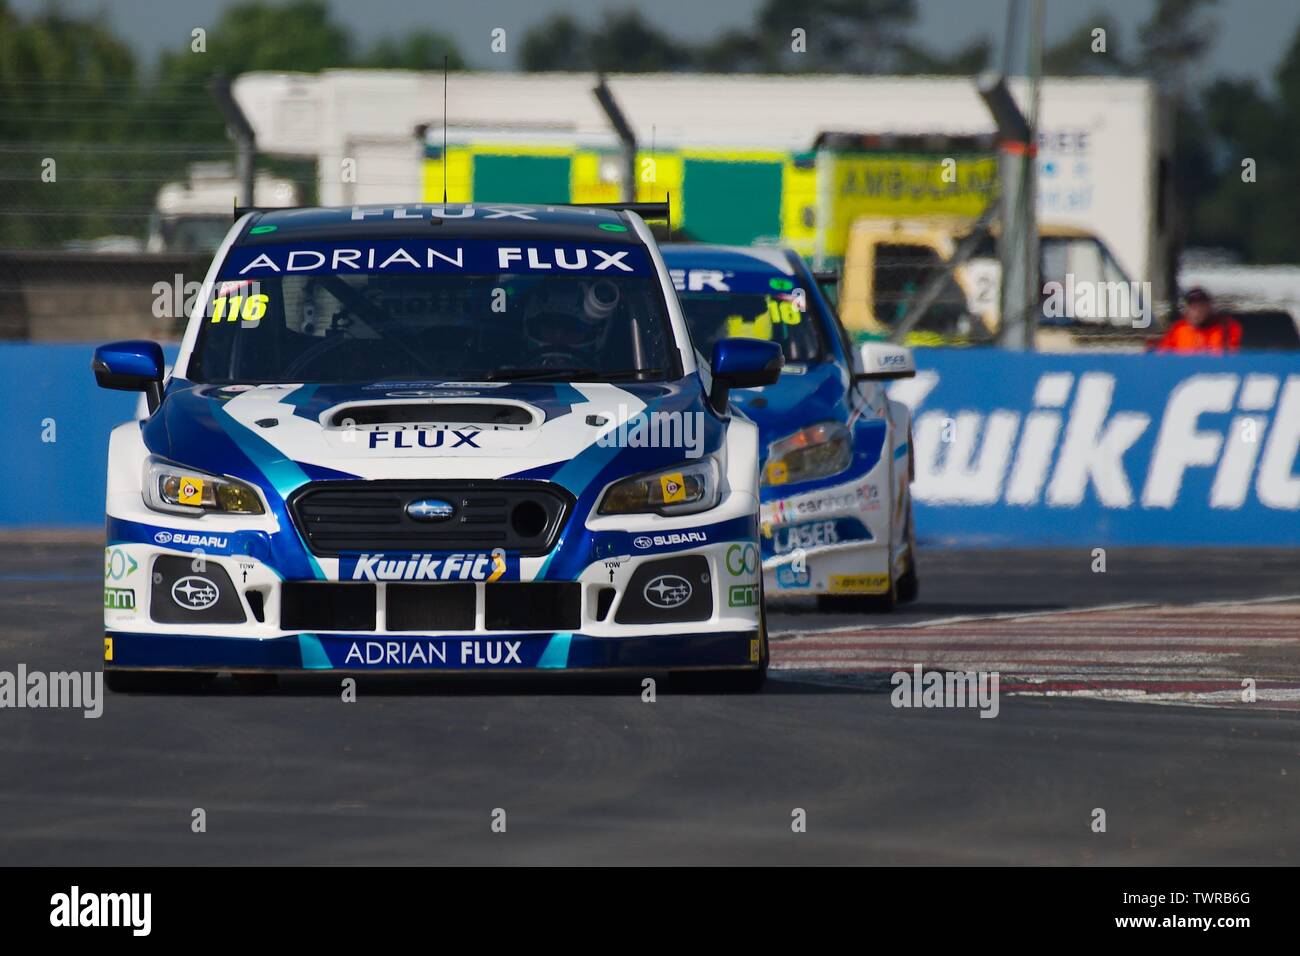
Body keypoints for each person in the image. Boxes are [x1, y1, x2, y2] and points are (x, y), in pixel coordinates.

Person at [1153, 287, 1242, 353]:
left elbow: (1233, 355)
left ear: (1209, 308)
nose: (1198, 312)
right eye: (1193, 308)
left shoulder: (1225, 327)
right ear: (1187, 310)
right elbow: (1162, 356)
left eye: (1201, 307)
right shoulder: (1178, 329)